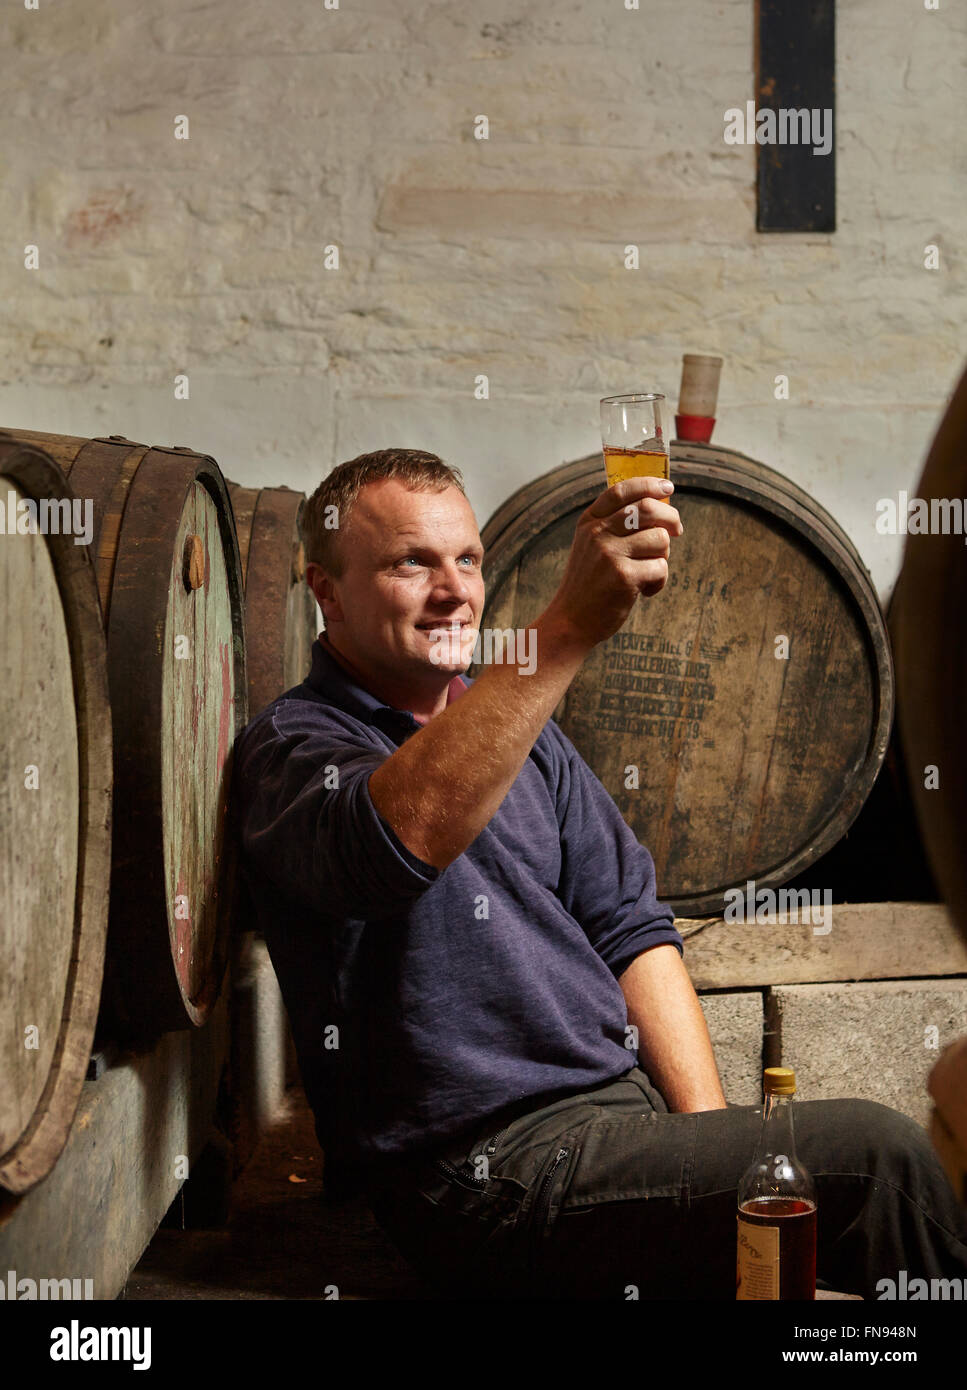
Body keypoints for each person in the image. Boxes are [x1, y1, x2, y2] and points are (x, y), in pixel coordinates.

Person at [232, 447, 967, 1301]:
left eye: (465, 560)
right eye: (411, 563)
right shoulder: (296, 747)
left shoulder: (524, 733)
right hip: (481, 1172)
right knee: (881, 1164)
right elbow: (400, 838)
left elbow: (632, 930)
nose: (454, 591)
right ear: (326, 592)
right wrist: (567, 625)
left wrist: (717, 1154)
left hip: (617, 1132)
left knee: (819, 1248)